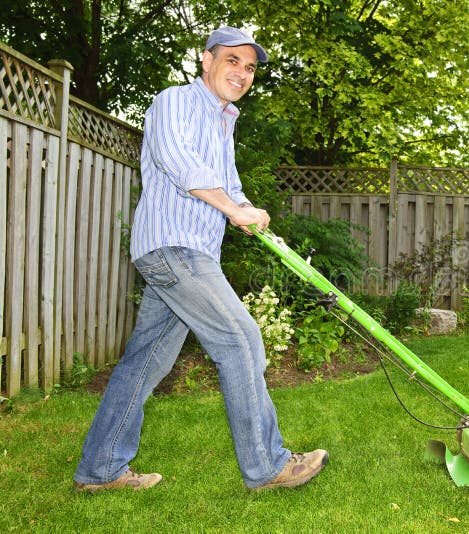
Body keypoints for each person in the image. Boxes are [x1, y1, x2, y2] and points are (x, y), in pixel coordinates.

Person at [73, 26, 327, 492]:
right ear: (206, 59)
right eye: (233, 60)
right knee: (242, 341)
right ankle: (268, 466)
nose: (242, 73)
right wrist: (232, 208)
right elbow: (178, 162)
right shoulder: (175, 101)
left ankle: (100, 469)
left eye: (249, 67)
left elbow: (227, 185)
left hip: (188, 252)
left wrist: (246, 210)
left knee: (144, 362)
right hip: (176, 247)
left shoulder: (223, 120)